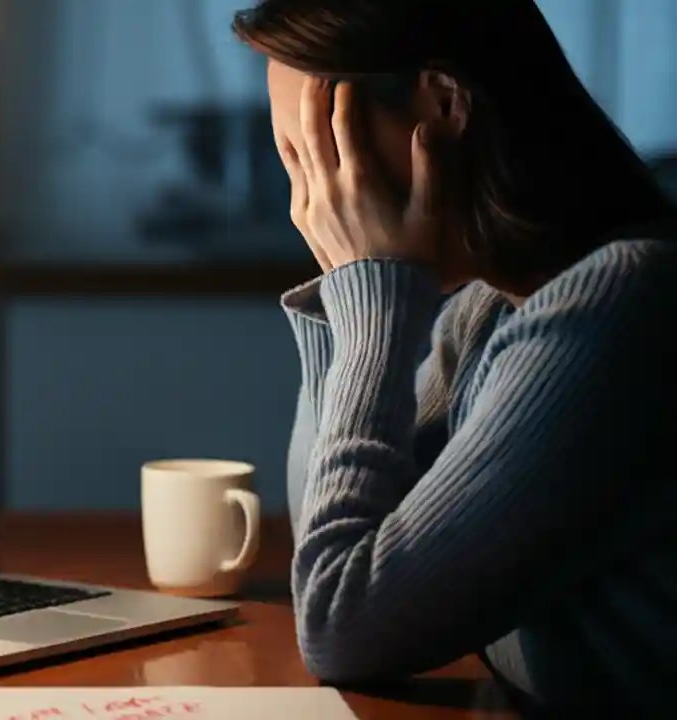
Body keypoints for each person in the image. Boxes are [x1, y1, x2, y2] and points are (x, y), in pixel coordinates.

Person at [232, 0, 676, 714]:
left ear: (441, 106)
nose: (309, 200)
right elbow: (339, 533)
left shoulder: (621, 302)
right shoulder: (489, 308)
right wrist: (351, 307)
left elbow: (345, 625)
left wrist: (372, 294)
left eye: (315, 155)